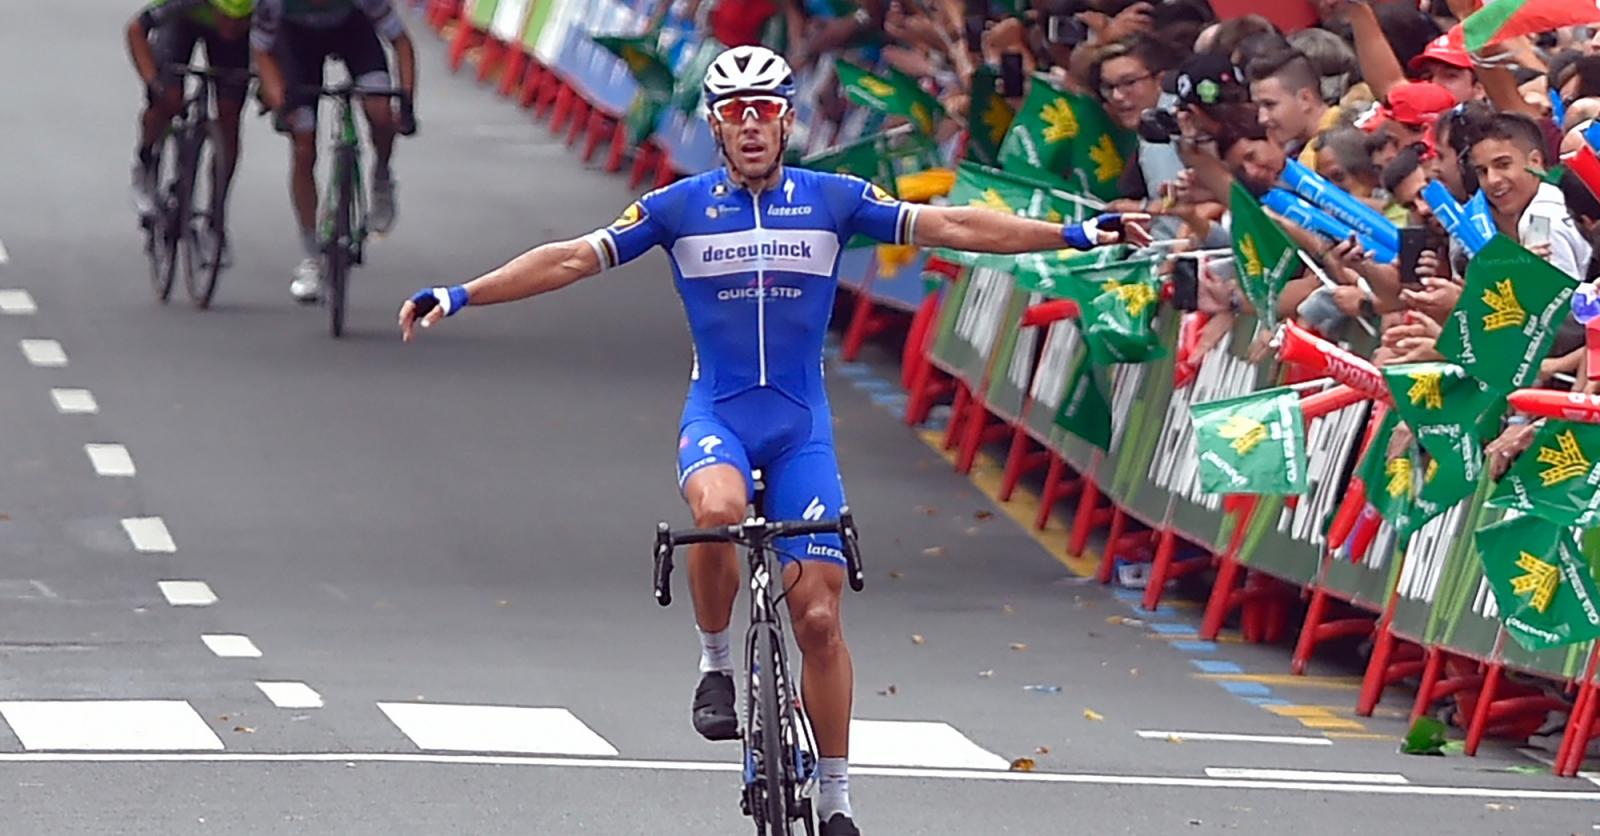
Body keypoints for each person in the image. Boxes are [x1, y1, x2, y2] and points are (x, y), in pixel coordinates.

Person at [397, 45, 1149, 836]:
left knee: (819, 621)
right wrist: (461, 293)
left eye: (765, 110)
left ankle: (835, 797)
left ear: (789, 119)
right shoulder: (677, 205)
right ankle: (717, 665)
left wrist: (1072, 234)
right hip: (719, 415)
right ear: (716, 126)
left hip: (800, 431)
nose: (750, 125)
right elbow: (572, 259)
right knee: (717, 508)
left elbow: (953, 223)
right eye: (733, 112)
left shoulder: (833, 198)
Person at [252, 0, 417, 303]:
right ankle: (312, 254)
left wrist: (406, 100)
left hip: (353, 32)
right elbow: (261, 50)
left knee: (380, 111)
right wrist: (278, 98)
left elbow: (401, 42)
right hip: (297, 43)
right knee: (303, 145)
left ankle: (381, 174)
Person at [127, 0, 255, 263]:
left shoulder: (257, 11)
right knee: (168, 99)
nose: (233, 26)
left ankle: (215, 219)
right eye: (229, 18)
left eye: (239, 20)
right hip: (181, 25)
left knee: (229, 118)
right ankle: (145, 161)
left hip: (231, 47)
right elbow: (135, 31)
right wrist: (152, 82)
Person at [1466, 111, 1592, 280]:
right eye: (1482, 171)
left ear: (1535, 161)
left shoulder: (1538, 222)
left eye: (1503, 165)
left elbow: (1559, 302)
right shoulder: (1556, 198)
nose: (1492, 180)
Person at [1247, 47, 1339, 163]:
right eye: (1257, 107)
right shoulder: (1292, 157)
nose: (1262, 119)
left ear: (1305, 99)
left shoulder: (1353, 140)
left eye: (1269, 104)